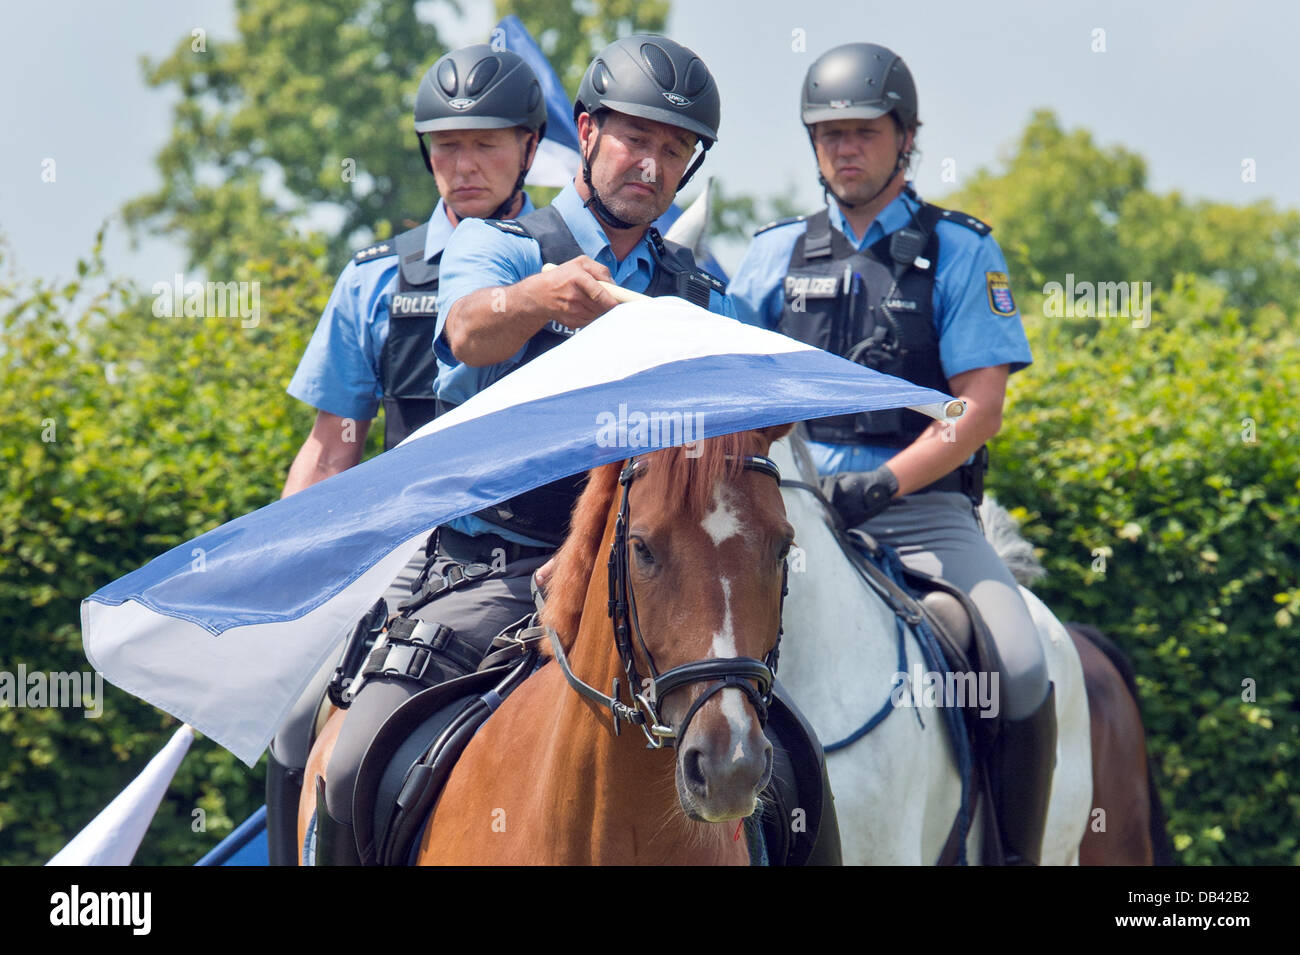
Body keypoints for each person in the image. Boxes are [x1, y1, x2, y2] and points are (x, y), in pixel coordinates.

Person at [314, 35, 734, 864]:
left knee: (784, 753)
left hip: (647, 587)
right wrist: (539, 296)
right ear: (585, 132)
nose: (650, 165)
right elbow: (468, 328)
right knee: (350, 754)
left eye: (673, 150)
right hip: (490, 570)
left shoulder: (701, 293)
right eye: (634, 140)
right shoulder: (500, 246)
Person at [728, 42, 1053, 865]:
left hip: (921, 511)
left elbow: (977, 409)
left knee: (1017, 666)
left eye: (863, 132)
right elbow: (731, 393)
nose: (844, 148)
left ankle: (1010, 851)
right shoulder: (770, 256)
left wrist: (881, 482)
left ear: (906, 138)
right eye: (828, 133)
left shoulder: (962, 251)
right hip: (792, 510)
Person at [266, 44, 546, 866]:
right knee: (294, 728)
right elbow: (331, 446)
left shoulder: (560, 263)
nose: (462, 166)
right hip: (407, 550)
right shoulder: (373, 281)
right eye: (445, 146)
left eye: (485, 144)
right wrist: (284, 574)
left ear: (530, 147)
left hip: (549, 544)